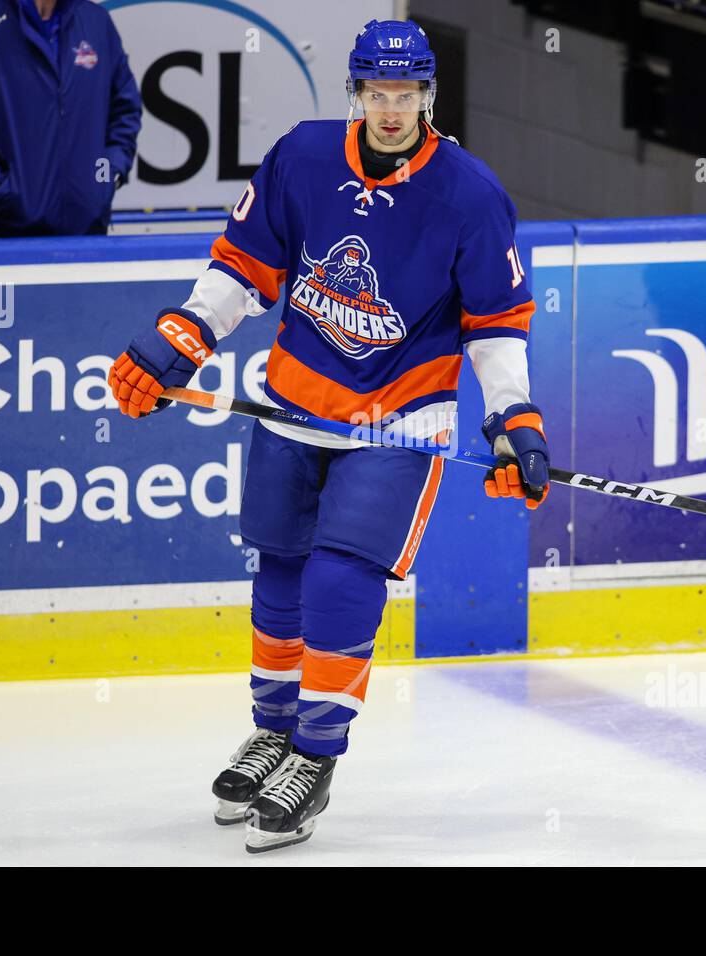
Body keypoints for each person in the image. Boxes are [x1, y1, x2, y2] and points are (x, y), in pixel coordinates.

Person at [107, 19, 549, 853]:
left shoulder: (471, 193)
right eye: (377, 95)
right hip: (291, 406)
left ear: (428, 96)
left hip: (398, 422)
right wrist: (184, 336)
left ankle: (313, 756)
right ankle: (273, 732)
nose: (391, 111)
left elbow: (496, 324)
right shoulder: (302, 158)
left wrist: (512, 417)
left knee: (342, 581)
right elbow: (245, 267)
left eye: (406, 95)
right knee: (280, 570)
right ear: (356, 94)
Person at [0, 0, 142, 237]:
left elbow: (124, 110)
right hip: (3, 244)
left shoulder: (96, 22)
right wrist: (5, 199)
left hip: (87, 238)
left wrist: (103, 181)